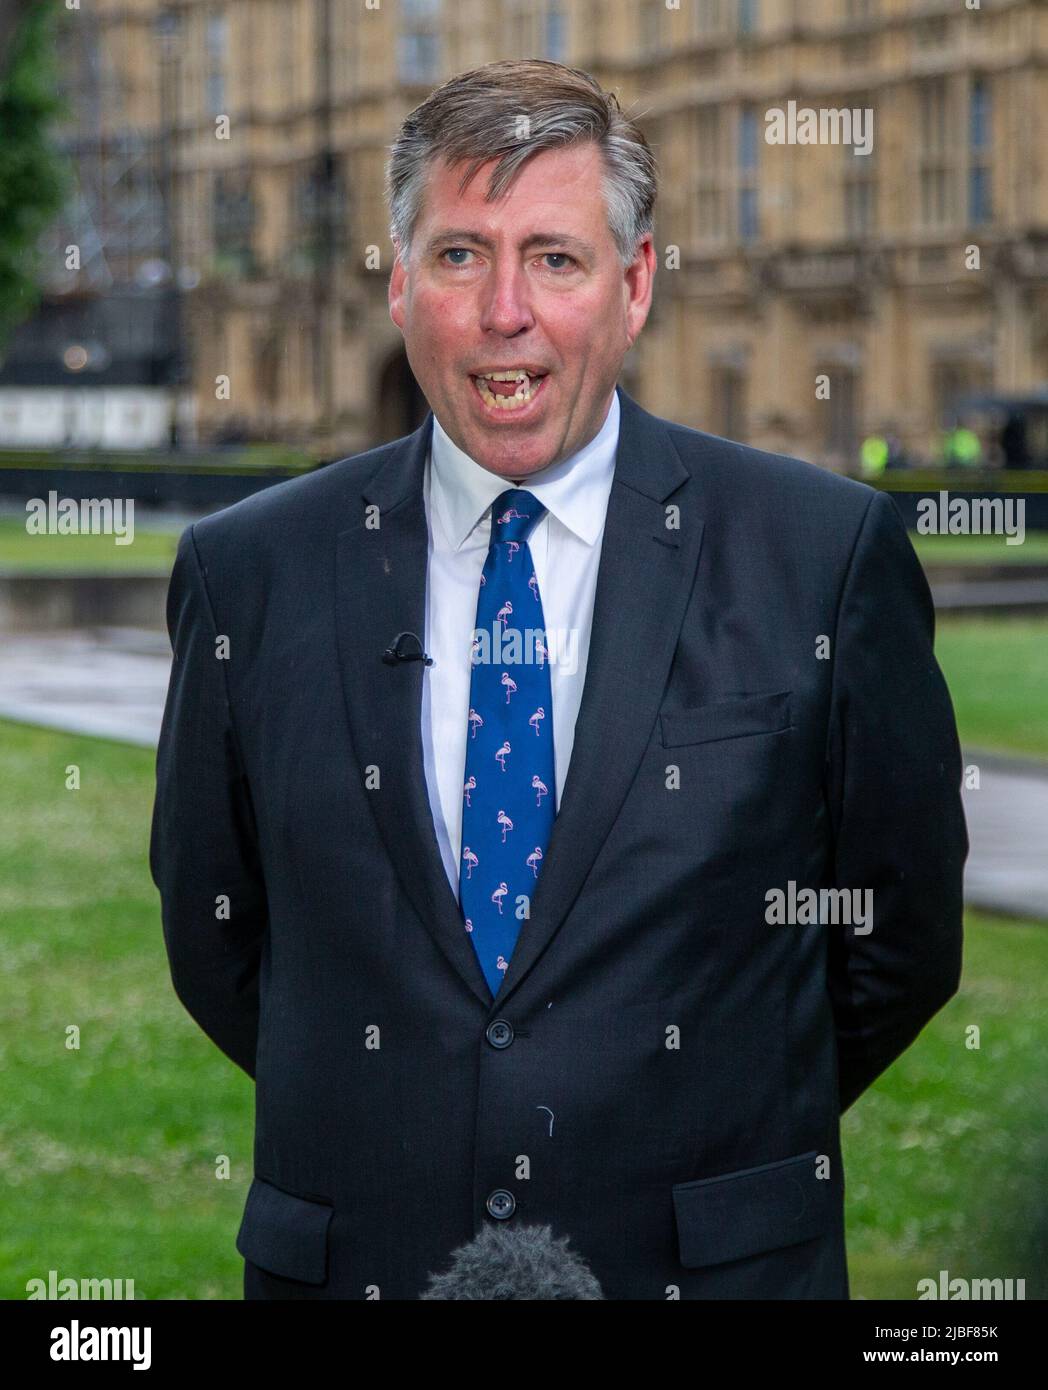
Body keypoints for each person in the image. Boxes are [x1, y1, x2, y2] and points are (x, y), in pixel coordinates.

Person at [150, 59, 968, 1301]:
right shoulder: (245, 573)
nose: (504, 312)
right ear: (400, 282)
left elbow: (896, 936)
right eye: (461, 255)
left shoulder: (820, 556)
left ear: (634, 285)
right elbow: (219, 933)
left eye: (556, 258)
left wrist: (688, 1115)